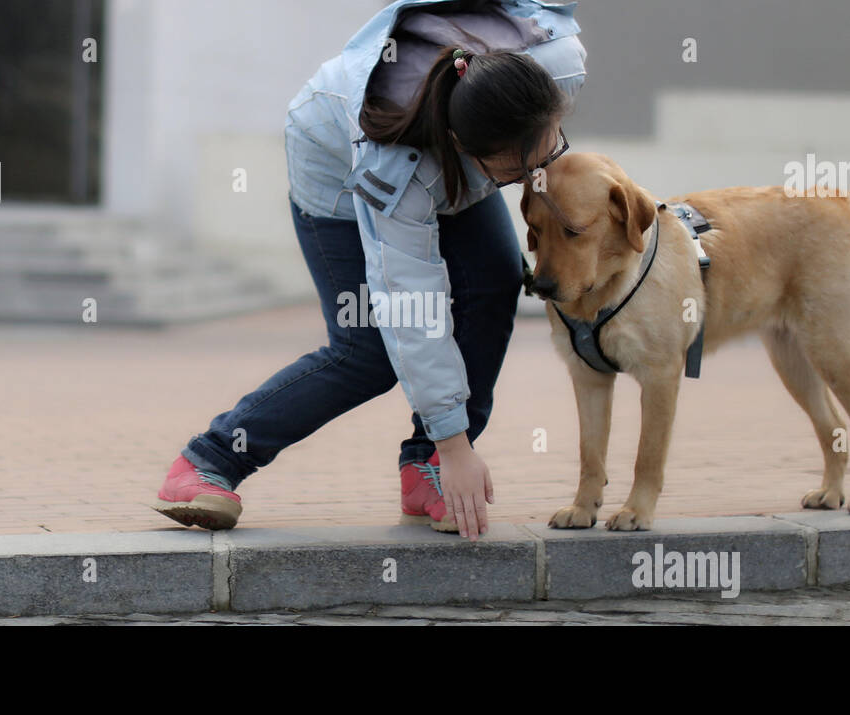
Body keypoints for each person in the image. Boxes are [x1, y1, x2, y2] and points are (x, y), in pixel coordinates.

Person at [154, 0, 587, 541]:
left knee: (497, 281)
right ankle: (209, 460)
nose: (532, 179)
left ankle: (424, 468)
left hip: (456, 141)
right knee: (368, 348)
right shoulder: (397, 171)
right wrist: (457, 445)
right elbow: (411, 305)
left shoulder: (557, 66)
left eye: (547, 153)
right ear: (464, 149)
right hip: (335, 167)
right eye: (514, 172)